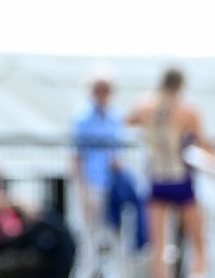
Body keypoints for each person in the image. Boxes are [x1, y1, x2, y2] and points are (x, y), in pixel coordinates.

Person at [127, 66, 215, 278]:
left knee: (158, 245)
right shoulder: (186, 111)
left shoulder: (146, 106)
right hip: (180, 180)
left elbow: (128, 119)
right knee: (198, 242)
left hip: (156, 180)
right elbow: (205, 145)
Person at [72, 69, 141, 278]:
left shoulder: (115, 115)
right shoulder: (82, 117)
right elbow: (76, 158)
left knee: (117, 239)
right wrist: (83, 194)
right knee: (89, 241)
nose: (103, 94)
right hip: (92, 185)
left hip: (112, 187)